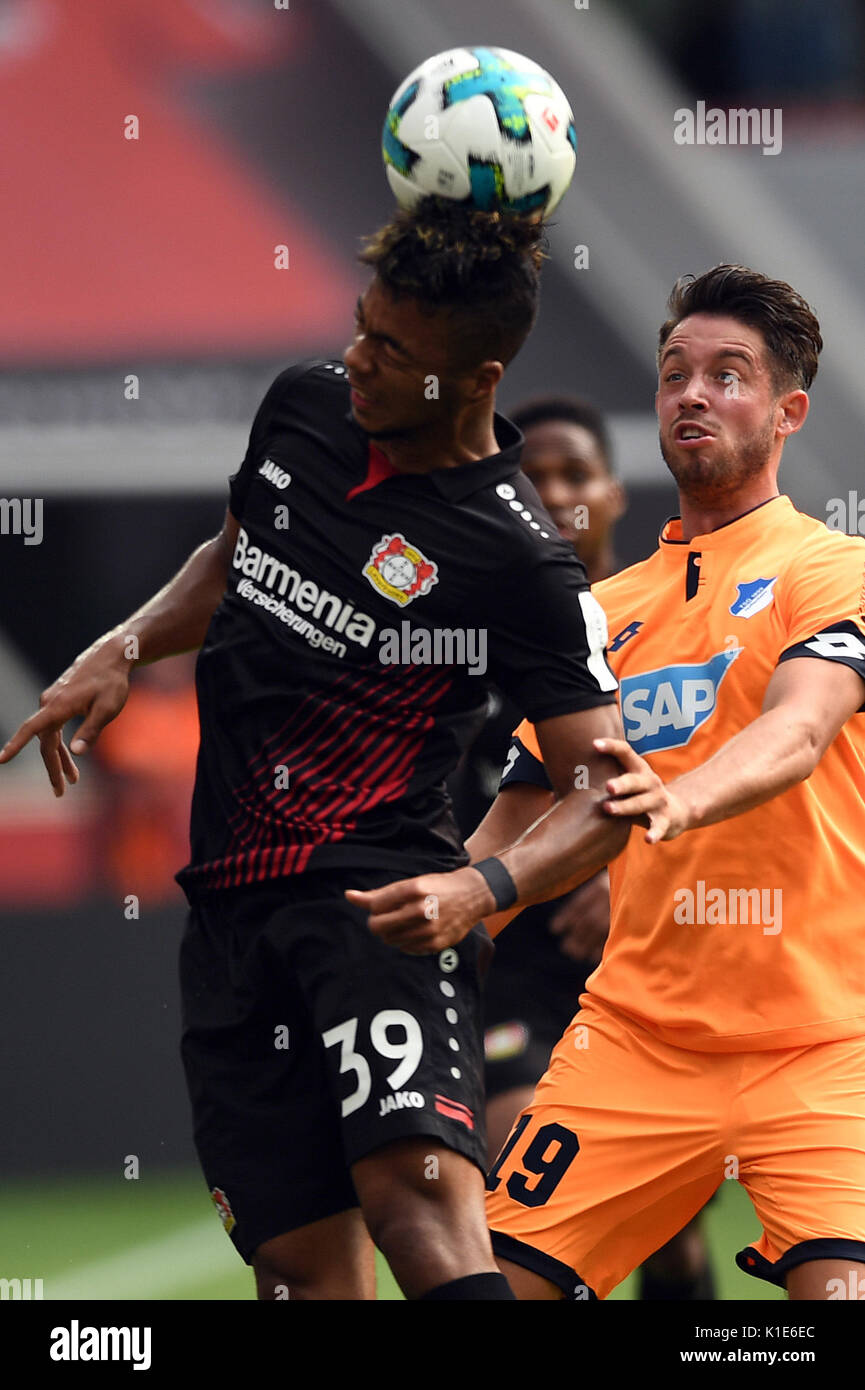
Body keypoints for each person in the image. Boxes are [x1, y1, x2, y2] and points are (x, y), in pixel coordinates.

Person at [0, 197, 632, 1301]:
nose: (357, 359)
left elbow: (606, 786)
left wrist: (480, 890)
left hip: (373, 904)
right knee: (299, 1272)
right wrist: (125, 643)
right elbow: (237, 551)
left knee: (421, 1212)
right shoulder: (305, 408)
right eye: (359, 326)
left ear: (474, 378)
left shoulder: (518, 556)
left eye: (391, 349)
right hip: (232, 918)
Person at [356, 264, 865, 1302]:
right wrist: (444, 906)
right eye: (676, 372)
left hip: (825, 1044)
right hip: (633, 1041)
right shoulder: (602, 614)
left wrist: (679, 799)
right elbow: (525, 810)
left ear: (786, 411)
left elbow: (800, 729)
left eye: (729, 376)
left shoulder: (833, 570)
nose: (693, 393)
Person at [471, 395, 714, 1301]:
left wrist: (628, 872)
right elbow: (473, 824)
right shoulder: (471, 655)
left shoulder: (683, 631)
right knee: (524, 1203)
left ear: (613, 491)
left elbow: (747, 787)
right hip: (521, 982)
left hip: (671, 972)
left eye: (574, 472)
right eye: (530, 477)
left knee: (674, 1247)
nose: (555, 492)